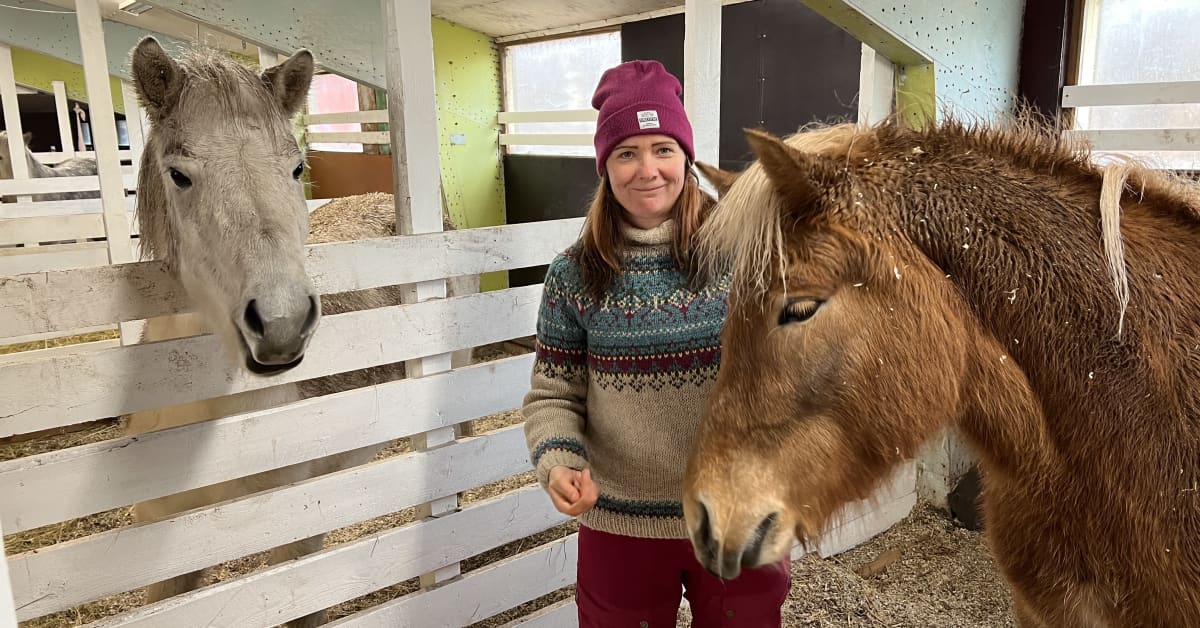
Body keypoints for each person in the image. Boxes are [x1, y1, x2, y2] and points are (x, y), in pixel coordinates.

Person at [522, 59, 791, 628]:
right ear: (605, 166)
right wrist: (558, 461)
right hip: (620, 524)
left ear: (686, 158)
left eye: (663, 149)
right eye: (627, 152)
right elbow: (553, 394)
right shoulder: (575, 275)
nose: (648, 170)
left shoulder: (745, 255)